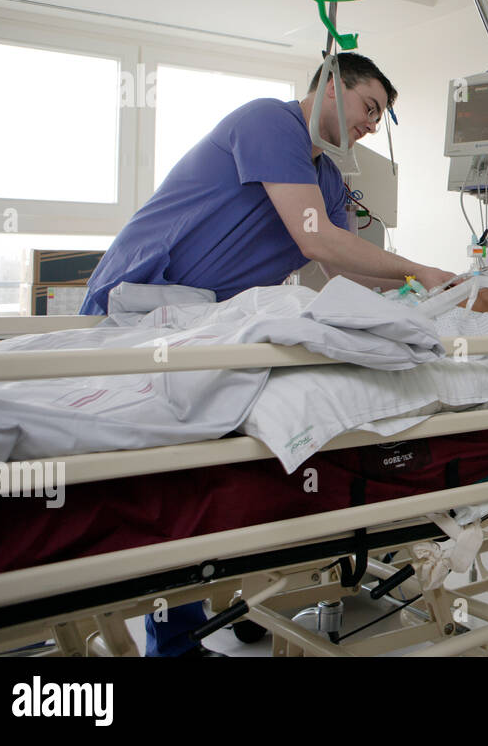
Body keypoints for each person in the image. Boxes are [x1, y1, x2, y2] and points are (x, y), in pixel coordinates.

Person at [80, 52, 455, 655]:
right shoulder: (268, 123)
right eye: (370, 107)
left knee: (207, 470)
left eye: (381, 116)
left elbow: (343, 264)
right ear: (332, 85)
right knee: (158, 470)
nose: (372, 125)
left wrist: (437, 288)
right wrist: (420, 270)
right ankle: (164, 628)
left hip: (205, 327)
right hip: (145, 306)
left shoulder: (328, 179)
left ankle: (194, 618)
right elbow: (315, 237)